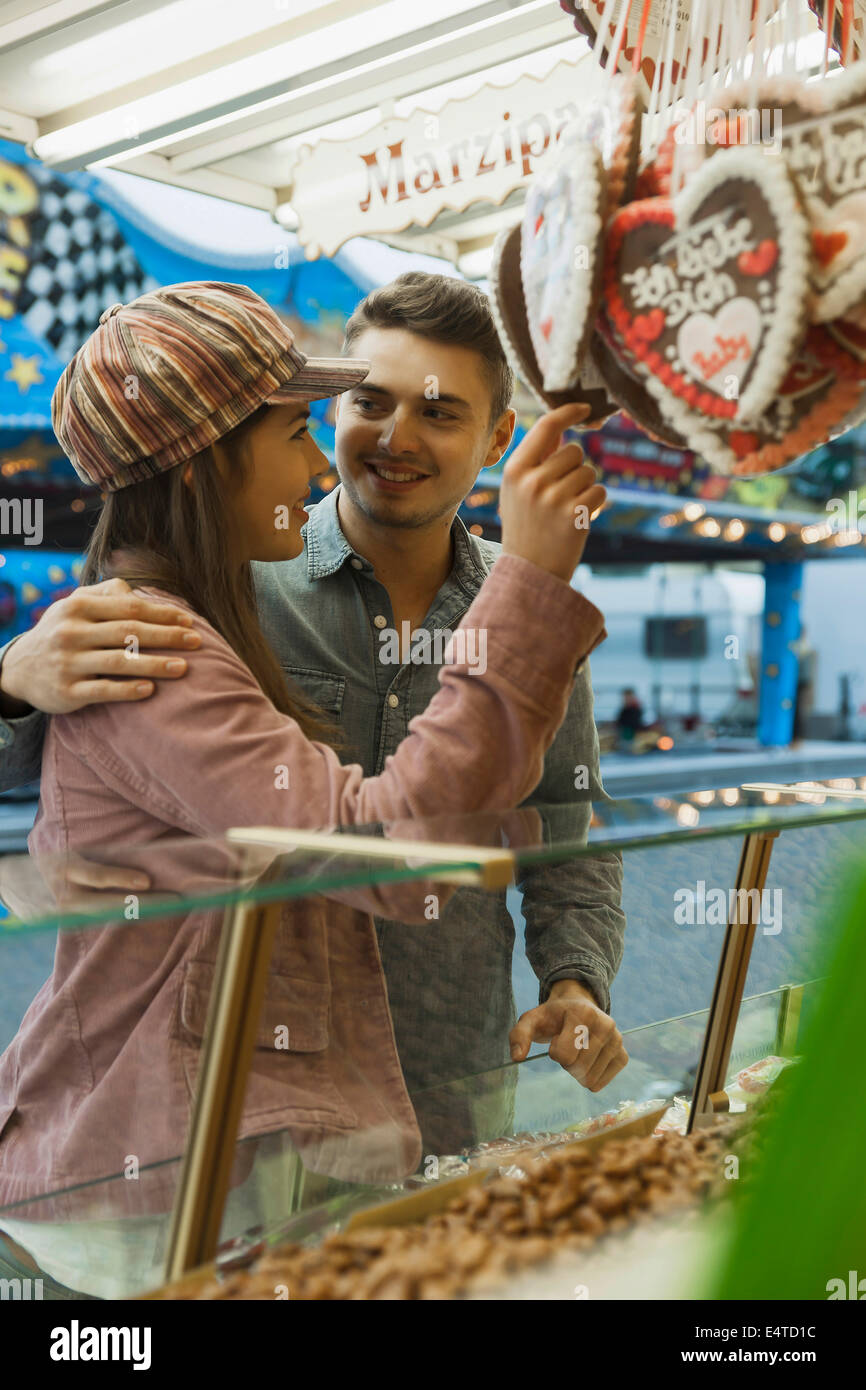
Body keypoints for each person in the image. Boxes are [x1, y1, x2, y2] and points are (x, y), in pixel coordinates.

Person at [0, 280, 607, 1250]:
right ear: (203, 467)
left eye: (441, 411)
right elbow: (378, 841)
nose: (371, 441)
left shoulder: (205, 590)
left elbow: (561, 828)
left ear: (497, 438)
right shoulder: (176, 617)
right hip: (228, 1123)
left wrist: (574, 979)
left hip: (430, 1069)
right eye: (353, 407)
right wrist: (8, 684)